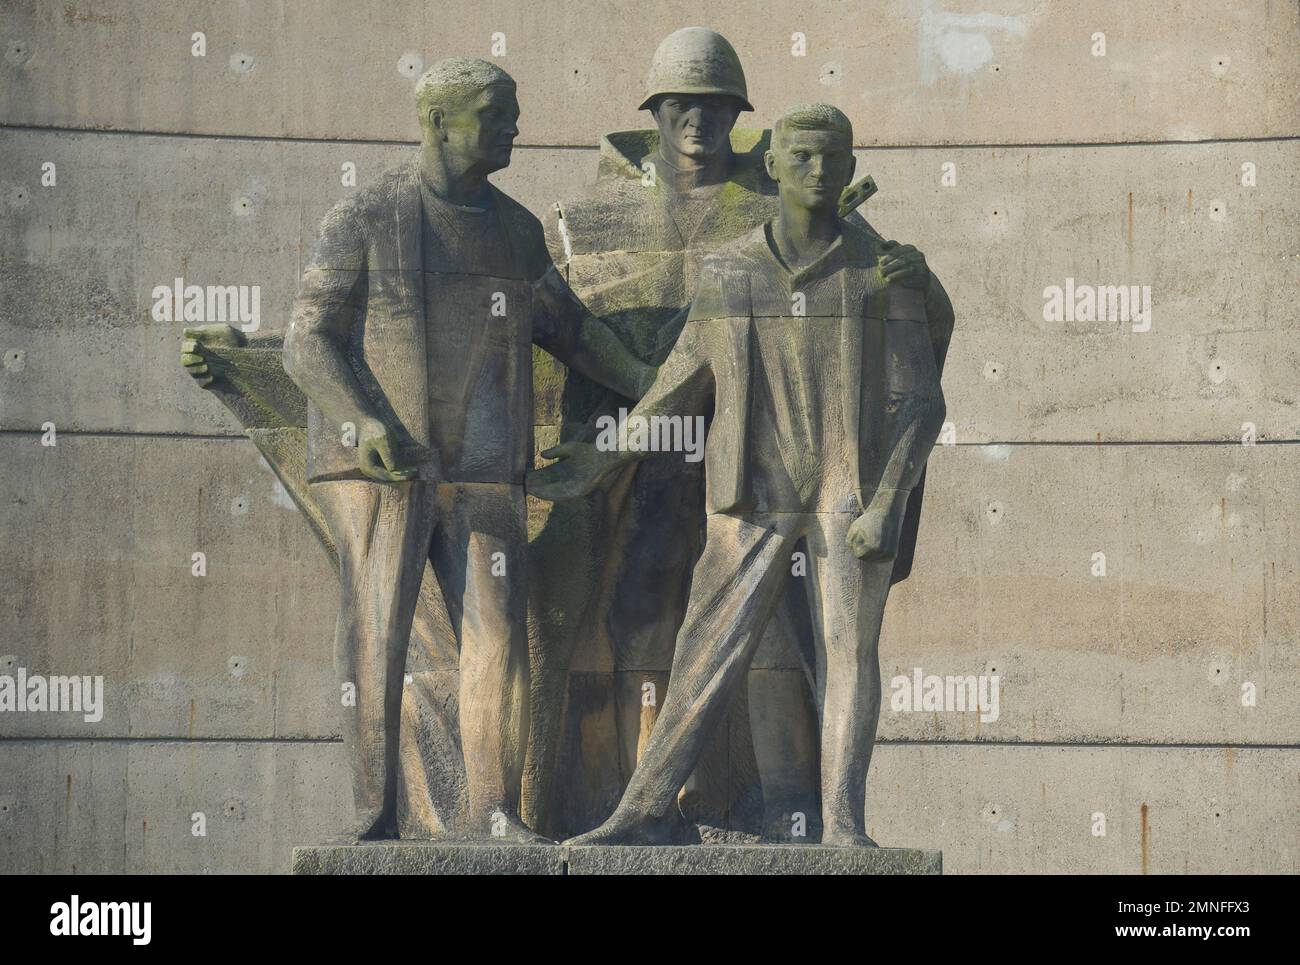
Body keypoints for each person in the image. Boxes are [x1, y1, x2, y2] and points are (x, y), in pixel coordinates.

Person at [528, 104, 948, 846]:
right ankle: (644, 808)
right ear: (776, 167)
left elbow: (921, 400)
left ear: (851, 167)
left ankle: (846, 823)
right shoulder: (732, 270)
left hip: (848, 499)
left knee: (850, 653)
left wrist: (886, 503)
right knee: (703, 646)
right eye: (804, 158)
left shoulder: (882, 272)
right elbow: (676, 383)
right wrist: (605, 456)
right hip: (751, 494)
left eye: (834, 158)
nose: (820, 172)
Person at [283, 57, 654, 841]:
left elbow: (572, 330)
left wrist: (656, 381)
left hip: (486, 470)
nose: (514, 126)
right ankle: (373, 816)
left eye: (512, 111)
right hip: (381, 467)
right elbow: (305, 342)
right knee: (375, 637)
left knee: (498, 641)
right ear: (438, 121)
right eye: (496, 112)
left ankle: (490, 810)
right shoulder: (368, 214)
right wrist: (362, 421)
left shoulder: (516, 231)